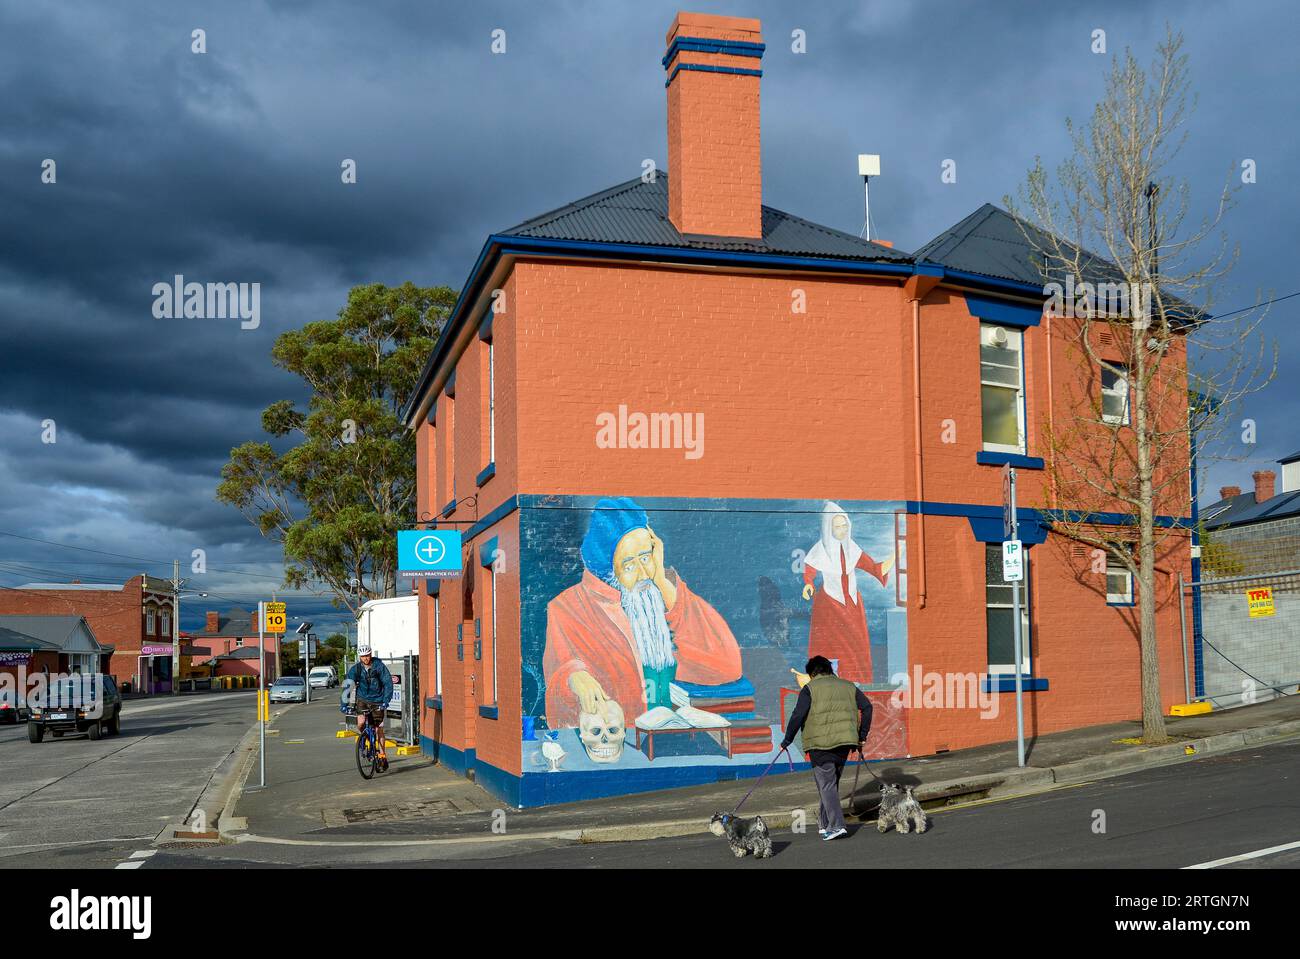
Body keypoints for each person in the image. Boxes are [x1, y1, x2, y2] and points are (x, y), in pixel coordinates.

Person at [543, 496, 742, 729]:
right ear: (609, 572)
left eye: (646, 557)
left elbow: (726, 665)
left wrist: (663, 583)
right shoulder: (567, 608)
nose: (643, 573)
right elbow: (559, 677)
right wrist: (573, 677)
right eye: (628, 565)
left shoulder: (663, 594)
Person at [779, 655, 873, 841]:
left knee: (826, 784)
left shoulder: (810, 689)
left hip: (820, 745)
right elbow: (867, 707)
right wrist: (861, 736)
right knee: (829, 784)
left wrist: (787, 740)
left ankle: (837, 825)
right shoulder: (848, 686)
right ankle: (825, 824)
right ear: (830, 669)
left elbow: (798, 715)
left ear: (812, 673)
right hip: (845, 743)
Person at [801, 502, 893, 684]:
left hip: (852, 605)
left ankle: (859, 681)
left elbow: (874, 568)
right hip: (829, 605)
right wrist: (808, 584)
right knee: (834, 647)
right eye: (837, 526)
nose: (842, 530)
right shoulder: (821, 549)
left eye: (844, 526)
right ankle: (831, 683)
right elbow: (809, 570)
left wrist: (894, 557)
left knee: (857, 644)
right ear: (829, 528)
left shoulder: (852, 548)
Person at [345, 643, 393, 767]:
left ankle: (382, 755)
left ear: (370, 654)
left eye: (367, 655)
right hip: (362, 699)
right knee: (361, 723)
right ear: (359, 657)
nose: (365, 658)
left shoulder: (379, 666)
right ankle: (365, 737)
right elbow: (348, 685)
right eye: (363, 656)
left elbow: (388, 683)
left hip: (378, 700)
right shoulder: (356, 669)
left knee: (379, 729)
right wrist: (344, 704)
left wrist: (385, 701)